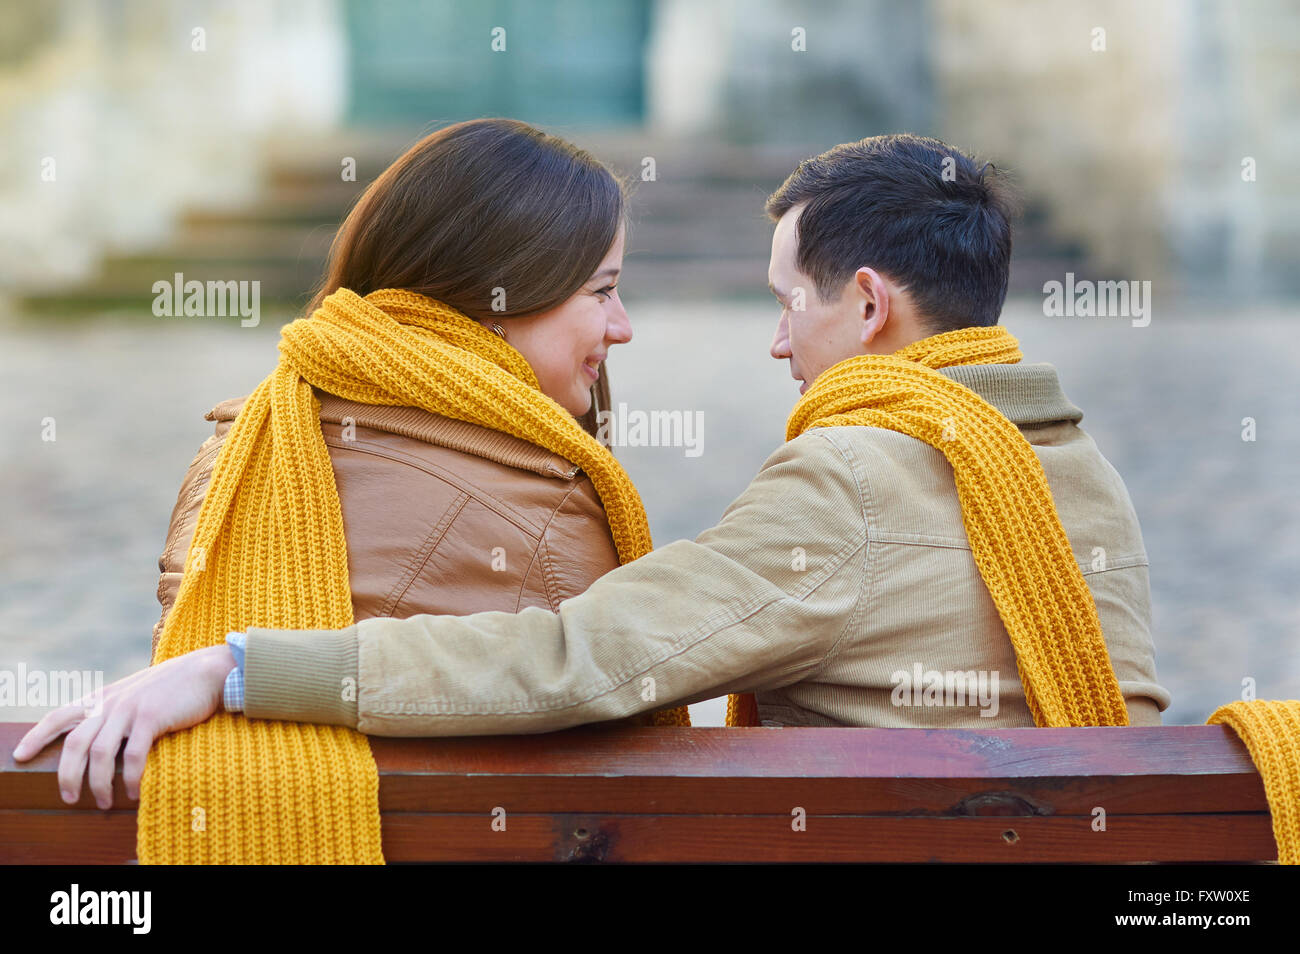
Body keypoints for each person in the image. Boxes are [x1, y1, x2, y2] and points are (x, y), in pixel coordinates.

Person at [18, 134, 1172, 807]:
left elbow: (580, 660)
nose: (776, 346)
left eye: (784, 307)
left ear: (867, 304)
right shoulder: (1075, 470)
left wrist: (235, 670)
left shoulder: (857, 477)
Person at [15, 117, 686, 817]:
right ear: (503, 296)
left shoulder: (238, 442)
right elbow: (618, 722)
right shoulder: (550, 501)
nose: (622, 326)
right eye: (602, 292)